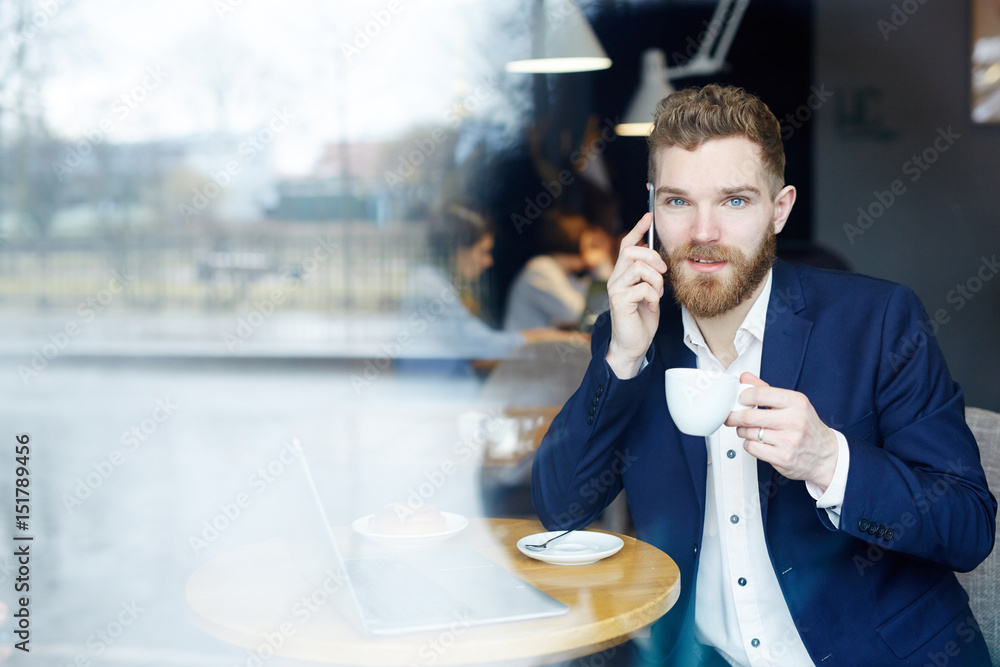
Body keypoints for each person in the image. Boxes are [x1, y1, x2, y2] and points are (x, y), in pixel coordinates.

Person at [531, 85, 997, 666]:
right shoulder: (634, 334)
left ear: (779, 208)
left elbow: (969, 526)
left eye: (734, 201)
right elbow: (561, 510)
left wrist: (830, 460)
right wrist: (623, 359)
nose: (703, 232)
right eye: (678, 202)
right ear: (652, 210)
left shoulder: (877, 321)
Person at [401, 204, 580, 362]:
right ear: (459, 249)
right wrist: (541, 338)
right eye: (483, 251)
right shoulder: (429, 286)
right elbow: (482, 345)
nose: (488, 262)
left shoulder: (433, 281)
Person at [504, 211, 615, 331]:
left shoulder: (564, 274)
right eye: (591, 243)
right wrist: (602, 264)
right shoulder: (541, 268)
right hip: (524, 348)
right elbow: (581, 315)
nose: (597, 249)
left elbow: (602, 307)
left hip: (539, 348)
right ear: (573, 239)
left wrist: (602, 266)